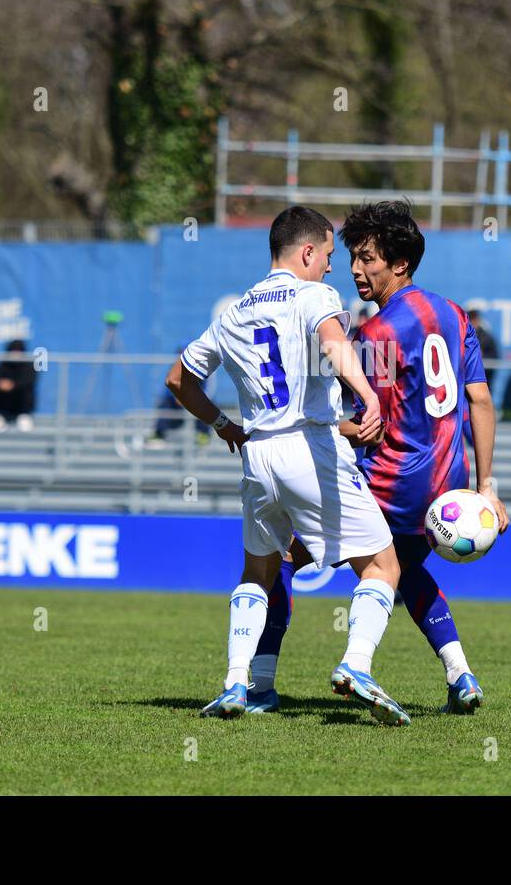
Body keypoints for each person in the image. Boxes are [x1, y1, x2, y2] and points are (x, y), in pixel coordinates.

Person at [244, 200, 510, 716]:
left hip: (386, 481)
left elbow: (367, 424)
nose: (355, 269)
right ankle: (461, 675)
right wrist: (487, 487)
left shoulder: (374, 335)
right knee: (403, 570)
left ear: (400, 264)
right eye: (353, 258)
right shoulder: (454, 315)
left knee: (279, 556)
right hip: (444, 486)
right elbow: (479, 400)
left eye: (367, 258)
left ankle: (263, 681)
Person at [165, 205, 411, 725]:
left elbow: (177, 380)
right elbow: (333, 344)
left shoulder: (232, 314)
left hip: (256, 453)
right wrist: (368, 395)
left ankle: (238, 683)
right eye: (326, 254)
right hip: (308, 448)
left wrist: (222, 425)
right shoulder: (314, 296)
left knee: (259, 571)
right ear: (306, 250)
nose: (332, 267)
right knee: (382, 565)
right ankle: (356, 665)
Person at [0, 339, 36, 432]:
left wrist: (13, 385)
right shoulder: (3, 365)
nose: (15, 355)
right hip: (4, 407)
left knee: (25, 390)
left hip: (22, 406)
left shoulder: (29, 366)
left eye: (18, 352)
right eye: (13, 351)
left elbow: (29, 380)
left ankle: (23, 417)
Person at [468, 309, 500, 390]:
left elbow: (494, 358)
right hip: (467, 379)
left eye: (472, 320)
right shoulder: (463, 337)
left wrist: (481, 357)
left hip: (483, 378)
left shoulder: (487, 338)